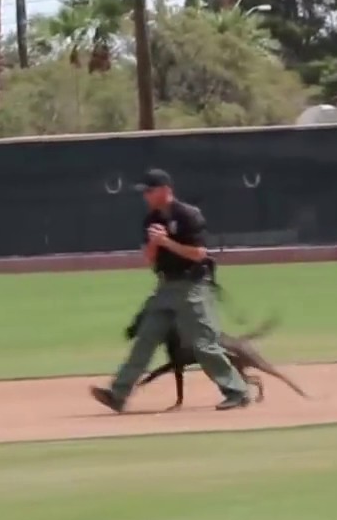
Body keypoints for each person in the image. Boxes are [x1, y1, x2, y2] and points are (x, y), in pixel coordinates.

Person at [89, 168, 250, 412]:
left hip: (191, 287)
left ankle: (237, 391)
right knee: (145, 339)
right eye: (144, 192)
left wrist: (167, 242)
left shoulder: (188, 215)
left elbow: (198, 254)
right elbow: (151, 259)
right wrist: (154, 244)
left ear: (165, 190)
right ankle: (117, 394)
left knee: (204, 344)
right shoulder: (151, 220)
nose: (146, 196)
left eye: (150, 191)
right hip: (165, 287)